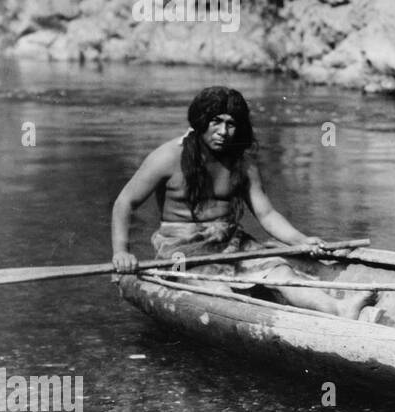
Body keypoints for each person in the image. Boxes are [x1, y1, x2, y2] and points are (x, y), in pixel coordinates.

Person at [111, 86, 379, 321]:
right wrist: (121, 252)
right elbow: (125, 202)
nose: (223, 132)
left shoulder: (243, 161)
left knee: (280, 272)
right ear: (201, 121)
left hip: (232, 243)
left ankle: (339, 309)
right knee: (216, 292)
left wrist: (300, 240)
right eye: (216, 122)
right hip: (181, 250)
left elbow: (266, 213)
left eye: (231, 124)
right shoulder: (168, 156)